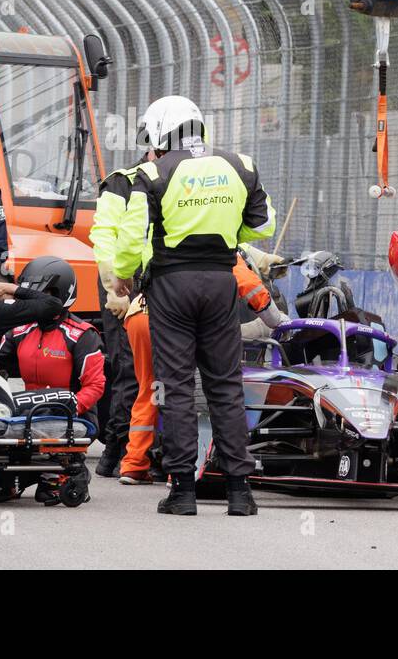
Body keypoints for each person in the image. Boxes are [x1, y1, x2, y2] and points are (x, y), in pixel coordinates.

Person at [114, 95, 276, 516]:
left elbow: (131, 243)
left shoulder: (151, 173)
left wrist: (126, 274)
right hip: (222, 281)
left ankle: (183, 491)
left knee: (176, 386)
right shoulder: (242, 165)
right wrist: (222, 230)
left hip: (170, 286)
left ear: (165, 131)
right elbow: (262, 225)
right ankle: (240, 492)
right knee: (225, 385)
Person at [119, 251, 285, 485]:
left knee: (152, 388)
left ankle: (134, 464)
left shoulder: (174, 235)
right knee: (183, 390)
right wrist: (276, 321)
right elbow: (250, 285)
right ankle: (178, 469)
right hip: (174, 317)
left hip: (140, 312)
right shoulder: (220, 247)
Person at [0, 257, 105, 505]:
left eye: (40, 293)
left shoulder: (82, 335)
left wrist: (69, 408)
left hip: (70, 417)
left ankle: (66, 470)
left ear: (58, 293)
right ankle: (24, 471)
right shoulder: (20, 330)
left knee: (48, 493)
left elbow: (96, 386)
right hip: (27, 416)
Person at [87, 126, 155, 478]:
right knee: (127, 367)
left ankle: (149, 450)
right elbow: (104, 234)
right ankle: (115, 448)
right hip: (123, 286)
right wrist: (114, 287)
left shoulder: (178, 179)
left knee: (159, 370)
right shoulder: (121, 182)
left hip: (161, 284)